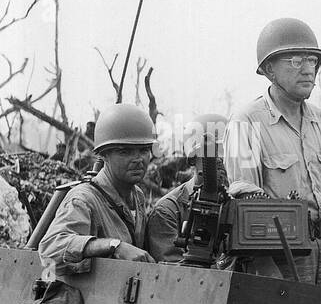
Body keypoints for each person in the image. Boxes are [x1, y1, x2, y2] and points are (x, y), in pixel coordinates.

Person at [224, 17, 321, 287]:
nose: (308, 70)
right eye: (296, 61)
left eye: (312, 61)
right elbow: (244, 200)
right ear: (269, 69)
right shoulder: (246, 122)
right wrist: (267, 270)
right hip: (280, 259)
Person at [40, 103, 156, 275]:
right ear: (104, 155)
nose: (138, 159)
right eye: (125, 152)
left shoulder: (136, 195)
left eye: (144, 150)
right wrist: (113, 246)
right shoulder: (83, 200)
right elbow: (50, 250)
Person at [146, 113, 228, 263]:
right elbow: (174, 273)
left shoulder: (232, 203)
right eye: (215, 157)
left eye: (227, 156)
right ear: (193, 159)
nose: (221, 163)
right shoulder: (168, 210)